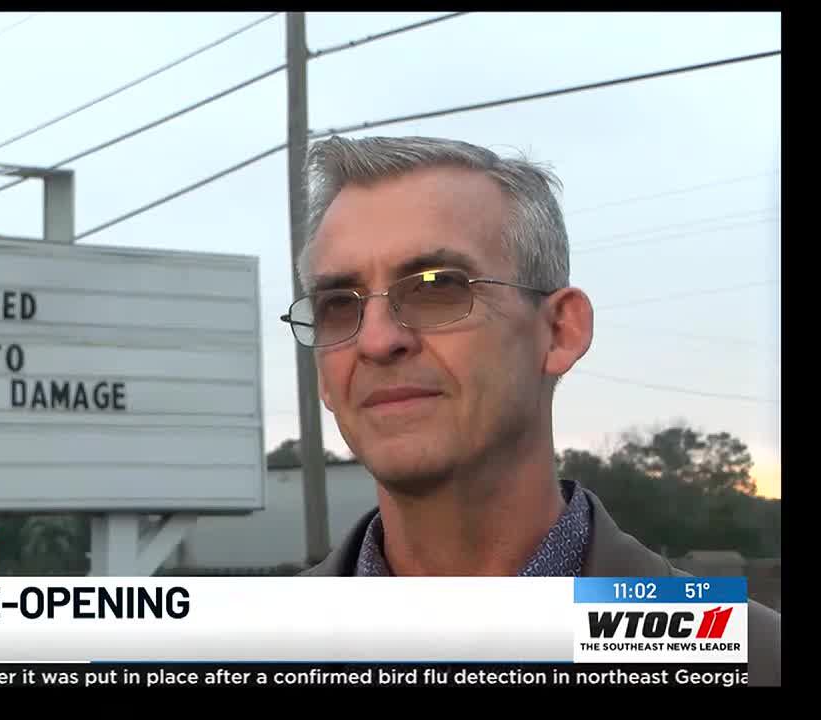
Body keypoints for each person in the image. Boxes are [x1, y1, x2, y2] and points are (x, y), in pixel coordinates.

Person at [285, 136, 780, 686]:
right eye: (336, 307)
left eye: (437, 288)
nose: (375, 341)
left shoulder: (757, 662)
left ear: (560, 331)